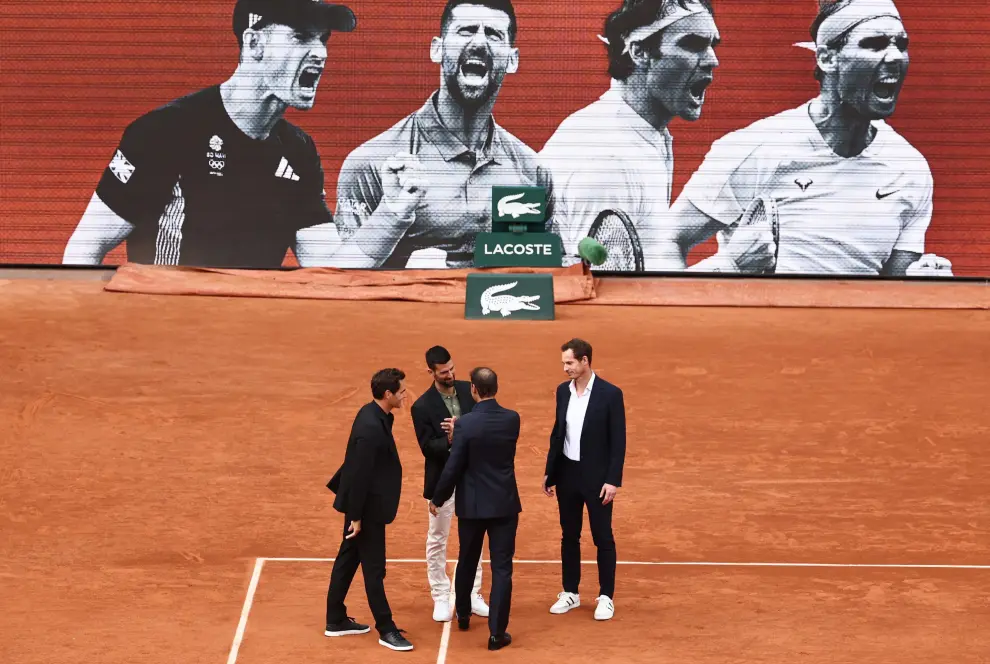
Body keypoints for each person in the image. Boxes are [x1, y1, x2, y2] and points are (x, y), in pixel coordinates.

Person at [657, 0, 954, 277]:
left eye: (901, 45)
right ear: (827, 58)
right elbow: (666, 242)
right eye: (874, 45)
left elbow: (896, 289)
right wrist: (727, 267)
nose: (894, 57)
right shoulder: (753, 148)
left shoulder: (910, 169)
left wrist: (923, 282)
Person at [62, 0, 356, 269]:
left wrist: (392, 216)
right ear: (254, 43)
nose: (321, 52)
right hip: (167, 317)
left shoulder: (297, 150)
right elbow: (88, 244)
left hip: (250, 321)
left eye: (323, 39)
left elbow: (328, 270)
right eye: (301, 37)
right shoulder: (165, 132)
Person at [540, 0, 769, 272]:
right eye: (692, 44)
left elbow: (642, 268)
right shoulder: (608, 157)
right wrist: (731, 265)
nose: (712, 60)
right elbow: (604, 294)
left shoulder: (644, 134)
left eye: (712, 45)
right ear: (639, 53)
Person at [327, 0, 556, 269]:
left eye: (494, 34)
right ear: (437, 49)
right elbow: (343, 282)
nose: (480, 42)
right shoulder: (371, 163)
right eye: (466, 30)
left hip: (491, 312)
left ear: (513, 60)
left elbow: (536, 279)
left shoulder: (533, 172)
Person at [430, 367, 521, 651]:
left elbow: (454, 466)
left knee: (467, 559)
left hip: (472, 505)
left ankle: (465, 615)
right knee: (502, 568)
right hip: (504, 504)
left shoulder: (465, 424)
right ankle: (497, 633)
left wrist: (438, 497)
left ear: (473, 389)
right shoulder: (512, 419)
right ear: (496, 387)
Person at [324, 368, 413, 652]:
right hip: (367, 509)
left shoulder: (375, 415)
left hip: (365, 504)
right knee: (374, 569)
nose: (405, 394)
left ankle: (335, 619)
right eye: (401, 391)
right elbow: (360, 476)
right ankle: (386, 629)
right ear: (387, 394)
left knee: (348, 559)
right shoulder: (371, 428)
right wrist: (356, 517)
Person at [543, 338, 626, 621]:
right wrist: (550, 472)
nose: (565, 368)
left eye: (569, 363)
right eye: (564, 363)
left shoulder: (610, 394)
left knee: (603, 537)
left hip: (597, 478)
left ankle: (606, 596)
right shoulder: (562, 392)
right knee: (570, 535)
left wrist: (612, 480)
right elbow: (558, 432)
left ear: (585, 361)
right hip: (568, 474)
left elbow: (618, 441)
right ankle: (571, 592)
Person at [409, 346, 488, 622]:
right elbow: (427, 448)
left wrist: (463, 432)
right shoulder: (421, 406)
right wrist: (452, 440)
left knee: (475, 538)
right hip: (441, 481)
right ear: (430, 372)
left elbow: (485, 426)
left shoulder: (470, 391)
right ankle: (441, 594)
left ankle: (472, 593)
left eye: (452, 368)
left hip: (471, 477)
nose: (451, 374)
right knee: (438, 538)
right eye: (444, 372)